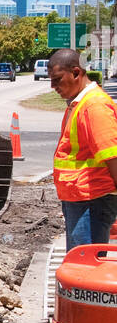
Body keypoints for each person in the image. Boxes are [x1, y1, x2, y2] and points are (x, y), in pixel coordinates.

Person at [49, 48, 117, 250]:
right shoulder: (80, 103)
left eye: (57, 79)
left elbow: (112, 154)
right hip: (83, 198)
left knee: (85, 265)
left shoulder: (94, 106)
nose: (53, 86)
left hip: (92, 199)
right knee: (82, 262)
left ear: (76, 73)